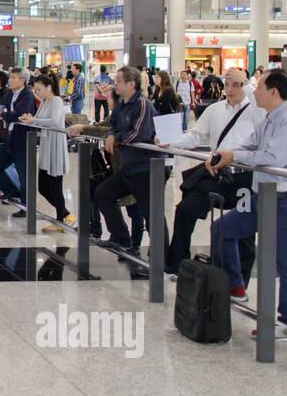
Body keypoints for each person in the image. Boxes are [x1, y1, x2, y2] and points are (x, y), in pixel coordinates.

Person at [206, 69, 287, 334]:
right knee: (222, 230)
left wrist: (234, 156)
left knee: (286, 264)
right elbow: (249, 147)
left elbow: (274, 159)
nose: (253, 91)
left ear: (273, 92)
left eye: (258, 87)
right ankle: (236, 286)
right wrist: (227, 154)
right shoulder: (268, 119)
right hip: (262, 198)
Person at [162, 68, 261, 279]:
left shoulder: (256, 111)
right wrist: (169, 142)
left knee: (243, 228)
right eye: (227, 84)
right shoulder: (215, 110)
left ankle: (239, 279)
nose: (231, 89)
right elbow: (195, 136)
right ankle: (177, 264)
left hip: (243, 176)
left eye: (237, 85)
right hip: (215, 173)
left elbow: (259, 105)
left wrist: (246, 82)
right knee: (186, 209)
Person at [92, 66, 158, 266]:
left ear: (131, 84)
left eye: (119, 81)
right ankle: (120, 237)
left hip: (146, 168)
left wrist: (116, 138)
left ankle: (160, 256)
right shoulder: (121, 103)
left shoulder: (142, 104)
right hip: (128, 167)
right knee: (103, 193)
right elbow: (113, 124)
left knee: (151, 214)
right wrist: (112, 134)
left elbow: (139, 133)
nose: (115, 84)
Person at [19, 73, 72, 233]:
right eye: (35, 90)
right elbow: (39, 118)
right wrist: (31, 118)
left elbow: (55, 121)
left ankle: (61, 221)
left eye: (39, 89)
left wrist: (34, 120)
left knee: (55, 187)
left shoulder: (56, 101)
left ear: (49, 87)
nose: (37, 93)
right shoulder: (44, 101)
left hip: (55, 145)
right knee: (43, 187)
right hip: (46, 145)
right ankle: (65, 214)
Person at [0, 68, 36, 214]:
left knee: (24, 175)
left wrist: (2, 115)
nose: (10, 80)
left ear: (22, 80)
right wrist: (2, 115)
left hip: (22, 138)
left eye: (13, 77)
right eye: (10, 77)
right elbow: (8, 111)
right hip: (9, 136)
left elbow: (21, 113)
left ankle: (26, 207)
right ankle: (12, 192)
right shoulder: (10, 94)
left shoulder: (27, 95)